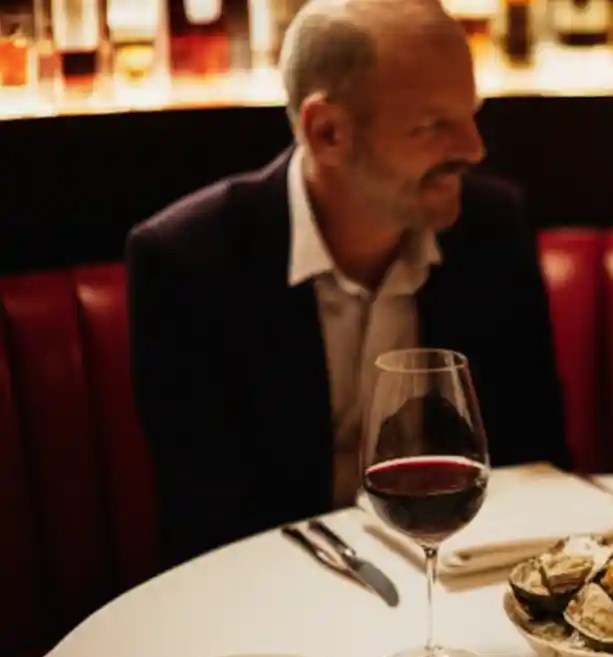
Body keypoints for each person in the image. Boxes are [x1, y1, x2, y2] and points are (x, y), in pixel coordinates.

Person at [126, 0, 570, 567]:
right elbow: (209, 519)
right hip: (270, 598)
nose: (473, 149)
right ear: (328, 132)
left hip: (459, 584)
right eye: (434, 125)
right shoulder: (190, 262)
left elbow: (534, 463)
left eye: (471, 115)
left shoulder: (491, 228)